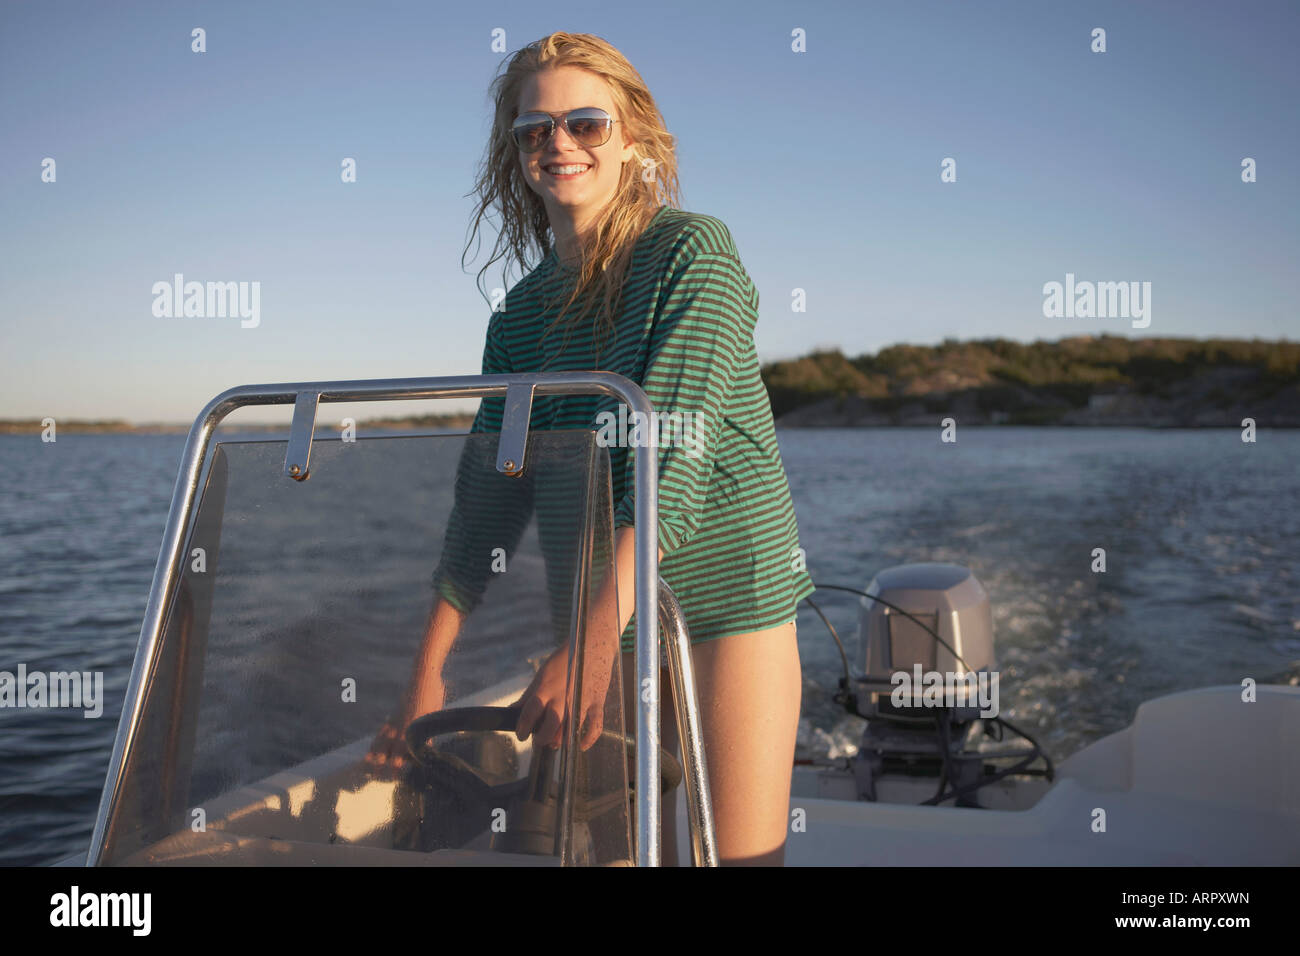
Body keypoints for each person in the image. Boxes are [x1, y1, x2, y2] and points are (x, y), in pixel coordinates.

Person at [368, 31, 814, 866]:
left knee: (735, 860)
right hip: (599, 615)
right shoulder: (518, 319)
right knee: (614, 856)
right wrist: (424, 673)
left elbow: (667, 472)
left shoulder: (692, 255)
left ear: (633, 142)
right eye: (533, 130)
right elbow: (489, 501)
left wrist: (592, 642)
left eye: (585, 124)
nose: (558, 144)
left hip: (723, 610)